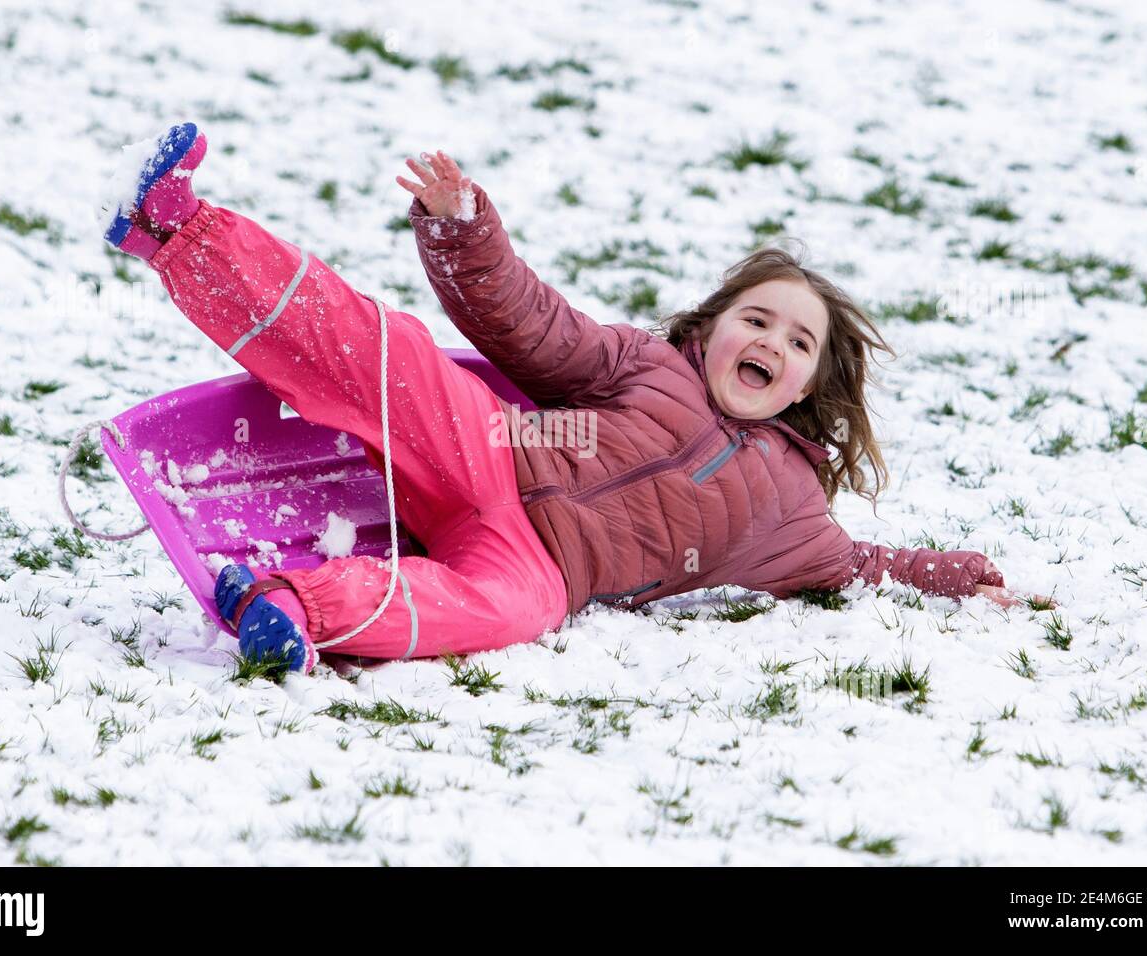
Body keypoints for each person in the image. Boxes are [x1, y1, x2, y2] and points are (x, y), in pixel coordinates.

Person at [101, 123, 1055, 677]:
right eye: (757, 320)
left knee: (505, 614)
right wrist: (464, 233)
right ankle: (179, 233)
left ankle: (291, 612)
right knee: (386, 355)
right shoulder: (647, 366)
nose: (770, 342)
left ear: (811, 386)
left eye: (797, 343)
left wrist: (964, 577)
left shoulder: (789, 507)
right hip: (498, 447)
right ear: (712, 327)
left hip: (541, 563)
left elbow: (862, 562)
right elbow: (529, 325)